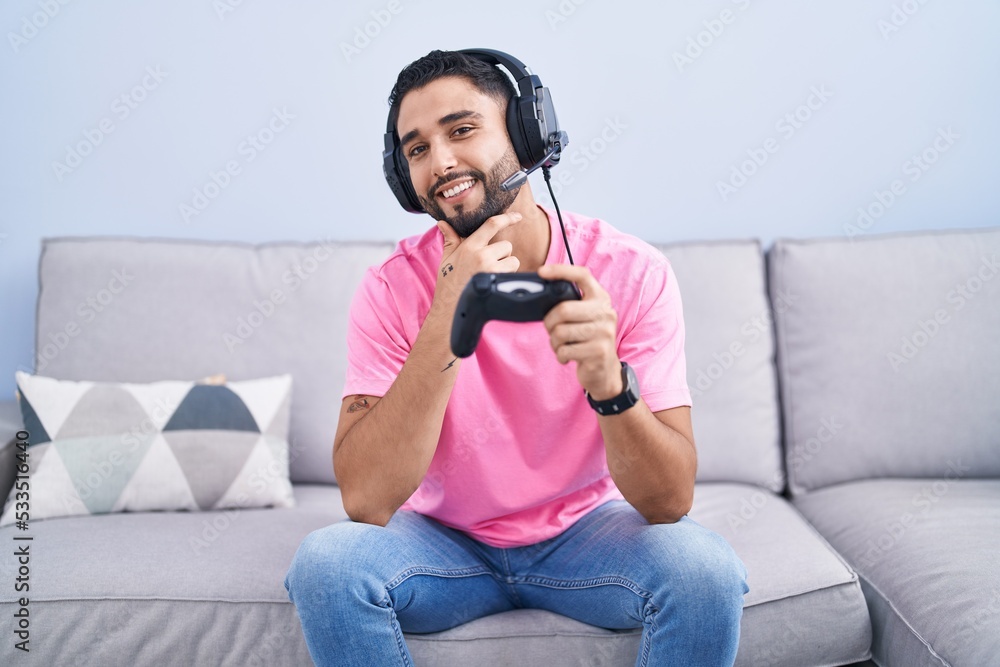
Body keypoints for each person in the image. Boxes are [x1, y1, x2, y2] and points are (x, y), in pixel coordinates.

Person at [285, 49, 748, 666]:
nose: (441, 161)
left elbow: (669, 503)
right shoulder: (391, 287)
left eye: (462, 129)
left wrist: (610, 383)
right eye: (416, 148)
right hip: (443, 544)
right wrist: (448, 307)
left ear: (527, 133)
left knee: (704, 569)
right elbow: (367, 501)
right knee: (325, 565)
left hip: (585, 537)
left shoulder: (632, 273)